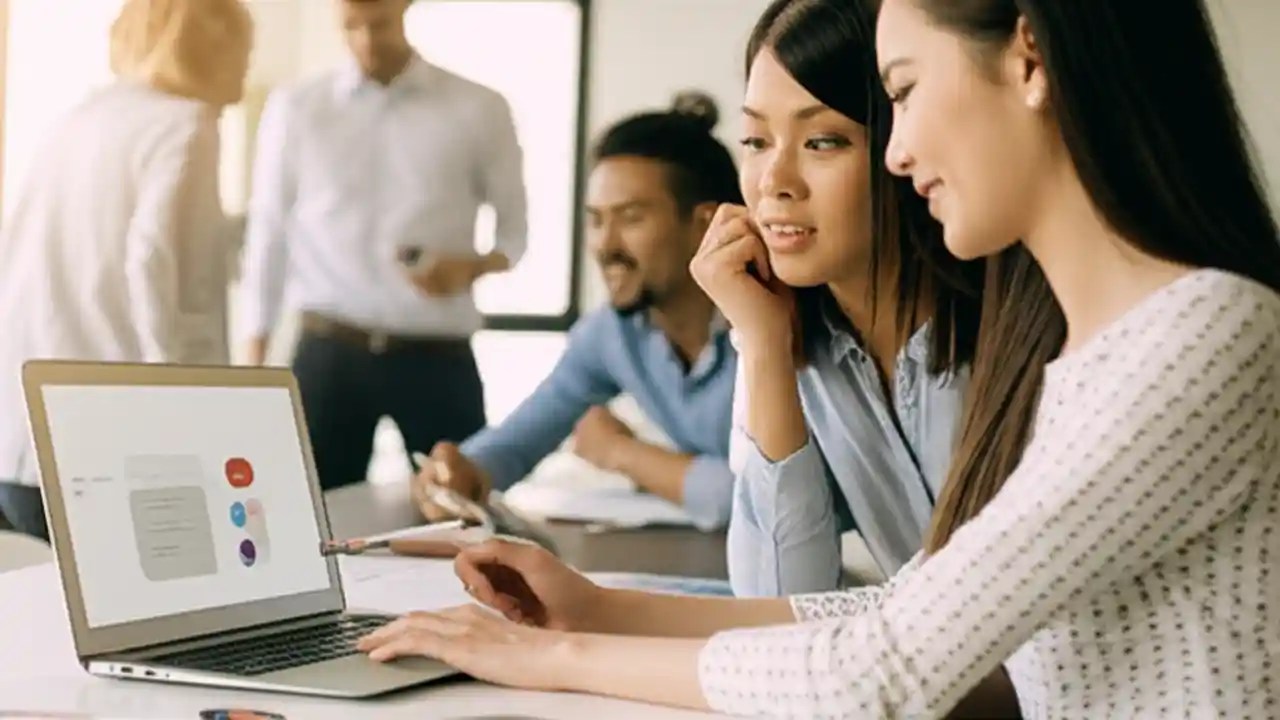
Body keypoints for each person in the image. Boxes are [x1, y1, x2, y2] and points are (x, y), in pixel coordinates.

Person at [357, 0, 1280, 717]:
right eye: (755, 140)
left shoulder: (1200, 332)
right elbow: (897, 611)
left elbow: (889, 669)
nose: (903, 149)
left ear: (1031, 58)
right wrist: (594, 606)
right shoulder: (1099, 347)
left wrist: (553, 658)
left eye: (903, 93)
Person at [705, 0, 981, 597]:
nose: (774, 181)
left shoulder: (1006, 325)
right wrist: (765, 348)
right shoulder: (789, 333)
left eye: (824, 141)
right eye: (755, 140)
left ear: (903, 143)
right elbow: (776, 601)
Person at [412, 93, 742, 531]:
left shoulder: (776, 326)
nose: (605, 246)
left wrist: (622, 453)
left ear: (704, 225)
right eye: (596, 220)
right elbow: (520, 439)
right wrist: (462, 472)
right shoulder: (612, 334)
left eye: (630, 218)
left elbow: (766, 501)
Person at [237, 0, 526, 490]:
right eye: (351, 26)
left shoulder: (480, 107)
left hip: (437, 356)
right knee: (307, 519)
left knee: (468, 516)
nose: (366, 40)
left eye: (379, 24)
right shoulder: (297, 107)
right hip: (329, 353)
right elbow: (269, 230)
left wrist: (470, 268)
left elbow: (514, 234)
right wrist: (252, 361)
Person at [0, 0, 253, 540]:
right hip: (111, 452)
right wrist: (190, 426)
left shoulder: (76, 120)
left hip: (22, 445)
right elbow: (152, 267)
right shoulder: (185, 124)